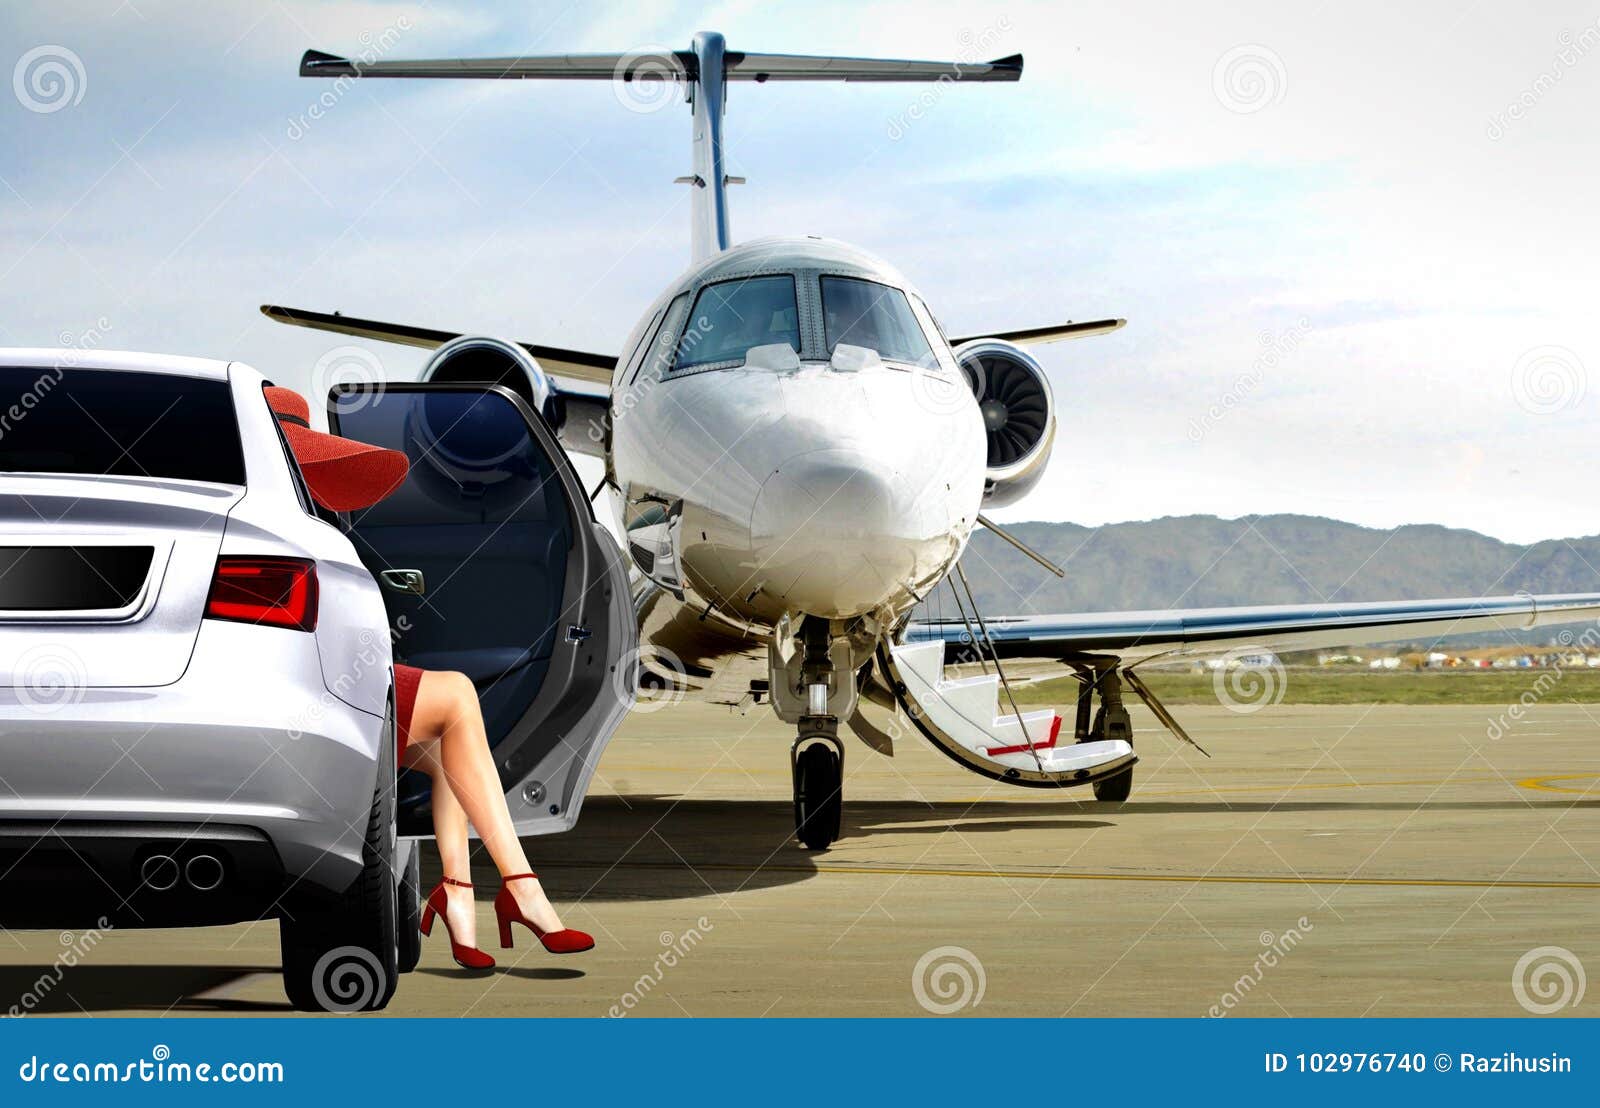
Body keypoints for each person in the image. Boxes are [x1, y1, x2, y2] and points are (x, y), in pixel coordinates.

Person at [266, 386, 593, 970]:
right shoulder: (292, 528)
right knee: (458, 701)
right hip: (318, 689)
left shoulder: (280, 521)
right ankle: (516, 892)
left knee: (449, 740)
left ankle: (463, 900)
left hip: (315, 676)